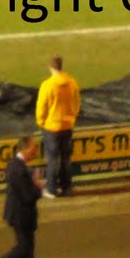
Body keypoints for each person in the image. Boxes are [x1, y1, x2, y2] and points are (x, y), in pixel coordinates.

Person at [0, 138, 44, 258]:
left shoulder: (16, 164)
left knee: (29, 243)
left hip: (21, 213)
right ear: (25, 149)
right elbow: (29, 195)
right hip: (21, 215)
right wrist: (39, 187)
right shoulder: (20, 170)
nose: (35, 152)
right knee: (24, 247)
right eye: (33, 149)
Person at [35, 55, 81, 197]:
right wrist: (71, 118)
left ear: (50, 67)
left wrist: (41, 122)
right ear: (61, 66)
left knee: (52, 159)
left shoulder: (47, 85)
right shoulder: (72, 82)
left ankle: (51, 189)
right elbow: (76, 103)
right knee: (66, 158)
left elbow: (41, 107)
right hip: (67, 126)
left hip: (52, 127)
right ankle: (67, 188)